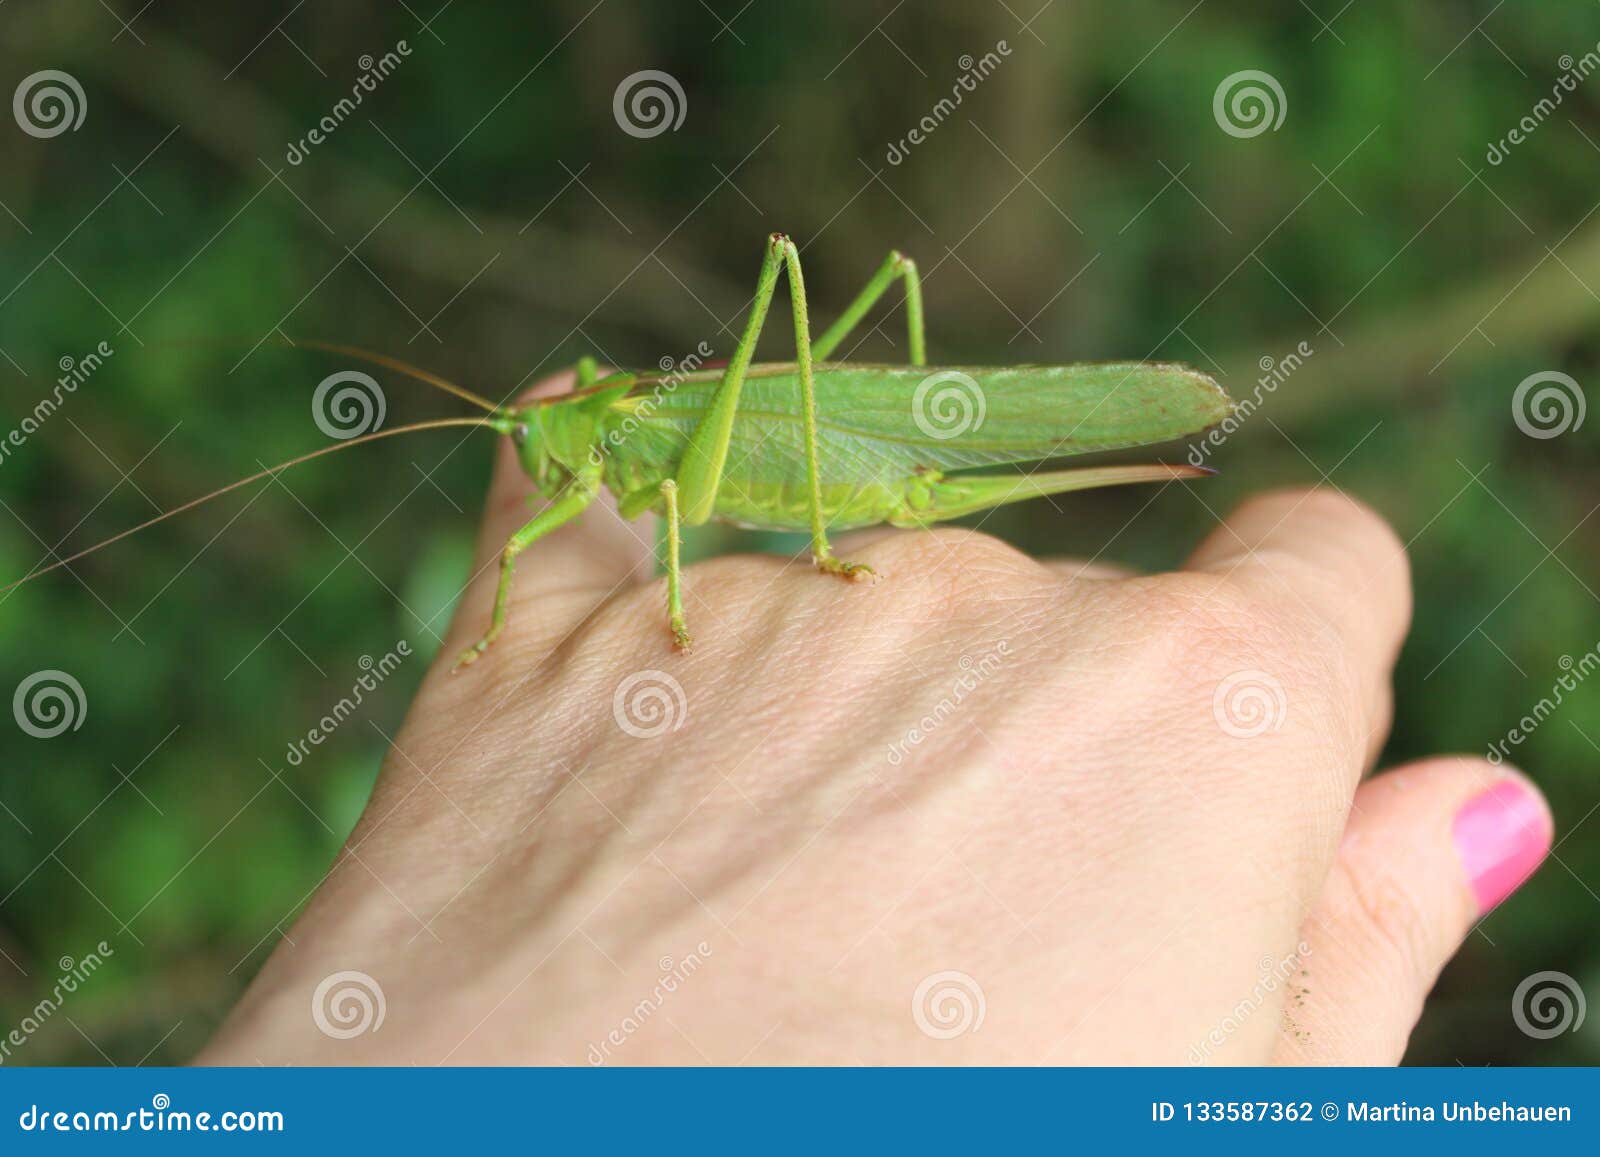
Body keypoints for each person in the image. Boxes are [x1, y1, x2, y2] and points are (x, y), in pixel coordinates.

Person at [199, 373, 1552, 1065]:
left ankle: (909, 455)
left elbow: (660, 494)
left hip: (827, 451)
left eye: (544, 445)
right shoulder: (584, 452)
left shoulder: (624, 439)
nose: (548, 461)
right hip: (811, 464)